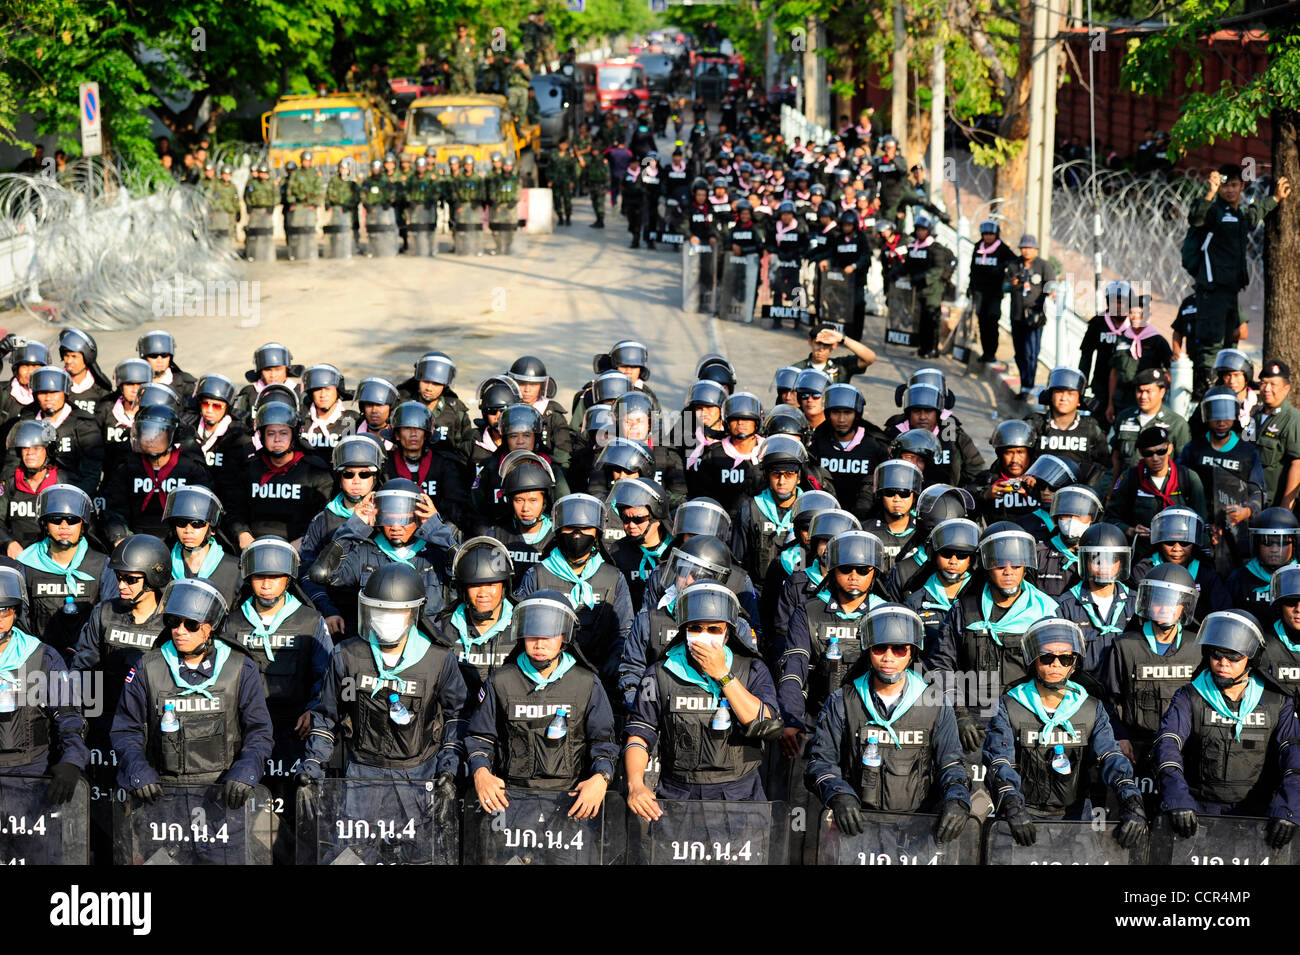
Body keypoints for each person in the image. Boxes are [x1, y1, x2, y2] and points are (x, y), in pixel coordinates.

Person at [806, 603, 971, 841]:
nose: (888, 657)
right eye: (880, 648)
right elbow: (820, 762)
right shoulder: (842, 701)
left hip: (916, 833)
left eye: (899, 649)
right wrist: (838, 795)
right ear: (867, 648)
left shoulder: (936, 704)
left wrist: (957, 798)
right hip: (857, 831)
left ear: (913, 652)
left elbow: (951, 765)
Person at [983, 618, 1147, 845]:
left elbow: (1110, 755)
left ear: (1074, 663)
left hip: (1075, 820)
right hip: (1022, 818)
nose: (1056, 664)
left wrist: (1130, 798)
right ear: (1033, 661)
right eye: (1047, 657)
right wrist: (1011, 803)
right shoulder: (1008, 705)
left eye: (1065, 658)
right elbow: (1000, 760)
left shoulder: (1092, 707)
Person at [624, 582, 781, 818]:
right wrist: (636, 784)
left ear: (728, 632)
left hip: (739, 799)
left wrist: (723, 675)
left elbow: (764, 722)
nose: (704, 636)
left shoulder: (752, 669)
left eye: (714, 629)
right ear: (684, 628)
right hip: (678, 798)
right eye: (696, 628)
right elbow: (640, 732)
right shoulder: (659, 673)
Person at [111, 578, 273, 805]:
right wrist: (138, 771)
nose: (180, 631)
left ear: (210, 627)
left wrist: (247, 770)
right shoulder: (147, 666)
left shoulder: (240, 668)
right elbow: (126, 729)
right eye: (173, 622)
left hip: (222, 793)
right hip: (162, 793)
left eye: (191, 625)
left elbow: (259, 731)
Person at [299, 564, 467, 783]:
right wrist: (313, 763)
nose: (387, 618)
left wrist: (448, 767)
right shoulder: (347, 654)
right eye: (380, 610)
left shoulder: (438, 659)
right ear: (368, 611)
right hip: (361, 775)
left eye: (397, 611)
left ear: (414, 612)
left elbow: (457, 715)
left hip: (419, 775)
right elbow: (326, 715)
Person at [1155, 610, 1300, 847]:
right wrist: (1177, 797)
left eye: (1233, 657)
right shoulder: (1189, 696)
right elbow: (1168, 744)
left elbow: (1294, 757)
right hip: (1198, 816)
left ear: (1252, 659)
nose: (1223, 664)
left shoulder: (1278, 702)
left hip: (1259, 818)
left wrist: (1290, 807)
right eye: (1217, 655)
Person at [466, 590, 617, 816]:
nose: (539, 644)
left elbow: (603, 742)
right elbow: (480, 738)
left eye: (549, 635)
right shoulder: (500, 681)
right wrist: (480, 772)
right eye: (533, 635)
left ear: (565, 637)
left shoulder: (586, 684)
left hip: (570, 804)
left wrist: (601, 778)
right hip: (511, 804)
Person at [927, 522, 1060, 754]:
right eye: (1000, 564)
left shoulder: (1045, 612)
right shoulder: (964, 610)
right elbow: (941, 665)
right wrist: (959, 714)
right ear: (987, 565)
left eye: (1016, 564)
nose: (1008, 571)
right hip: (973, 728)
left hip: (1027, 722)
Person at [227, 538, 330, 801]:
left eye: (275, 576)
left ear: (288, 579)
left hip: (295, 731)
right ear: (249, 577)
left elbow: (327, 674)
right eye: (260, 576)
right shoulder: (232, 621)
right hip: (245, 732)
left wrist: (314, 709)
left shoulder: (310, 620)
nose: (267, 584)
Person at [779, 529, 890, 757]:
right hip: (814, 720)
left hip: (870, 723)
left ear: (874, 572)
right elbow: (794, 667)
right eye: (846, 569)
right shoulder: (807, 612)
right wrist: (791, 717)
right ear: (832, 569)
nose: (854, 576)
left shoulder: (886, 612)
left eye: (862, 570)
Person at [1183, 165, 1290, 396]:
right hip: (1212, 289)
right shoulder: (1214, 212)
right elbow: (1196, 217)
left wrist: (1275, 198)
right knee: (1211, 343)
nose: (1229, 190)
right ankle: (1205, 391)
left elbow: (1252, 216)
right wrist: (1209, 193)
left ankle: (1227, 390)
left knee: (1231, 342)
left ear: (1242, 186)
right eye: (1225, 185)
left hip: (1231, 291)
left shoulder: (1238, 213)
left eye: (1234, 185)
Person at [515, 493, 634, 692]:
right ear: (559, 531)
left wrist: (615, 660)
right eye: (570, 528)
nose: (577, 535)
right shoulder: (537, 574)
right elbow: (521, 629)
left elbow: (624, 629)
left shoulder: (613, 577)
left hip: (602, 678)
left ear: (597, 532)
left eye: (585, 528)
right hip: (546, 677)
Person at [308, 479, 456, 635]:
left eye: (405, 519)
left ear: (420, 518)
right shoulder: (364, 551)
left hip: (427, 645)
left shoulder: (436, 553)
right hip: (375, 642)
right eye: (389, 519)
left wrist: (437, 529)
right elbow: (321, 573)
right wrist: (354, 526)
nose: (396, 527)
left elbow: (464, 574)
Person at [1101, 561, 1200, 769]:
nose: (1165, 609)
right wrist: (1120, 736)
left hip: (1186, 748)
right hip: (1136, 747)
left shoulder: (1197, 647)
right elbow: (1108, 698)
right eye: (1159, 601)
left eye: (1173, 602)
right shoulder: (1124, 645)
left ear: (1185, 607)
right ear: (1147, 603)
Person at [0, 566, 87, 803]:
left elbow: (68, 715)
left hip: (30, 778)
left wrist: (72, 759)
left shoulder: (43, 656)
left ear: (17, 612)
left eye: (4, 611)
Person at [225, 401, 333, 548]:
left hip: (300, 548)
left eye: (283, 433)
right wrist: (242, 533)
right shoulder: (248, 469)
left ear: (294, 435)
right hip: (253, 547)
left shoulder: (315, 471)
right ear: (262, 436)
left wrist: (306, 540)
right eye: (271, 433)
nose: (277, 439)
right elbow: (233, 509)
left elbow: (325, 516)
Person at [15, 483, 104, 658]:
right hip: (40, 662)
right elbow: (20, 622)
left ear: (83, 525)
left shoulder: (102, 566)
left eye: (71, 520)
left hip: (89, 665)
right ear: (45, 524)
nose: (64, 526)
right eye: (56, 519)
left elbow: (108, 621)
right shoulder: (25, 565)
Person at [1105, 425, 1206, 562]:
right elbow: (1110, 518)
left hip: (1179, 556)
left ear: (1169, 448)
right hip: (1142, 557)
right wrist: (1130, 530)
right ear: (1141, 452)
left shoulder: (1187, 478)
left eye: (1161, 451)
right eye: (1149, 453)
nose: (1156, 458)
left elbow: (1201, 522)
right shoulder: (1130, 478)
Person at [434, 537, 516, 703]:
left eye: (491, 584)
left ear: (504, 588)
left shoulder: (523, 626)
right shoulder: (443, 628)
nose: (483, 593)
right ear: (463, 589)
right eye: (475, 585)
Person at [1055, 522, 1134, 676]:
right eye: (1096, 560)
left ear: (1121, 562)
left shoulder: (1135, 602)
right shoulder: (1066, 605)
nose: (1104, 566)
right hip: (1085, 690)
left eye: (1111, 560)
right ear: (1085, 561)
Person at [1026, 367, 1112, 490]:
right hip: (1037, 491)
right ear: (1050, 395)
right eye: (1059, 392)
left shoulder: (1091, 428)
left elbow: (1105, 467)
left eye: (1070, 393)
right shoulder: (1034, 424)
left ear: (1079, 400)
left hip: (1075, 497)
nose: (1064, 398)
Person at [26, 365, 103, 495]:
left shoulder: (84, 424)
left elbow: (91, 474)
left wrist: (74, 499)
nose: (48, 398)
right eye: (43, 392)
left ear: (65, 393)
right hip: (32, 494)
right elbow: (12, 467)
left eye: (54, 392)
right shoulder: (26, 422)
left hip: (72, 494)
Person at [1109, 369, 1191, 482]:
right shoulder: (1124, 417)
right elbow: (1116, 457)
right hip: (1127, 487)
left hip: (1159, 490)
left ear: (1162, 392)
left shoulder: (1176, 423)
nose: (1143, 396)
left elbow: (1184, 464)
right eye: (1139, 391)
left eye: (1148, 391)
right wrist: (1112, 489)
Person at [605, 477, 671, 610]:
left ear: (657, 518)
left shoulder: (676, 550)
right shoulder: (615, 553)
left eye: (638, 519)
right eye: (625, 519)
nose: (631, 525)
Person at [1225, 508, 1300, 621]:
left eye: (1282, 542)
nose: (1274, 549)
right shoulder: (1238, 579)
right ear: (1256, 544)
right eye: (1267, 541)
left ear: (1293, 545)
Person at [0, 420, 62, 555]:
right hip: (15, 556)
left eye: (36, 448)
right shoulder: (10, 481)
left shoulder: (62, 484)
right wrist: (7, 542)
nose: (29, 453)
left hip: (52, 557)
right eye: (25, 448)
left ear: (49, 451)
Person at [1007, 234, 1056, 397]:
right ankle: (1024, 382)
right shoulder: (1014, 265)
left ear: (1035, 249)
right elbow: (1004, 284)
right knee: (1019, 352)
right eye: (1024, 248)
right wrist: (1011, 284)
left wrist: (1052, 293)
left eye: (1030, 248)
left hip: (1035, 316)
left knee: (1031, 352)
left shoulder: (1044, 265)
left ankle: (1028, 385)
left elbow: (1051, 285)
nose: (1027, 251)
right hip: (1017, 315)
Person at [966, 220, 1019, 362]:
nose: (988, 237)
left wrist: (1003, 267)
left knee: (992, 320)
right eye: (986, 234)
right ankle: (985, 352)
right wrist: (970, 287)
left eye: (991, 234)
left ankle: (991, 352)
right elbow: (973, 269)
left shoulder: (1002, 249)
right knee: (982, 321)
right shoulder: (978, 247)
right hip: (980, 292)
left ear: (996, 235)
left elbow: (1015, 261)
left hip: (994, 292)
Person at [1252, 359, 1300, 510]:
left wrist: (1285, 508)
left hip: (1274, 505)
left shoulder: (1292, 419)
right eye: (1263, 383)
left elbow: (1297, 464)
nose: (1266, 389)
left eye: (1273, 385)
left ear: (1286, 389)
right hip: (1251, 502)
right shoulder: (1255, 416)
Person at [299, 364, 359, 463]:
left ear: (337, 391)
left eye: (328, 389)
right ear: (311, 393)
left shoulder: (353, 420)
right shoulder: (300, 419)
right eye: (318, 389)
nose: (322, 395)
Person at [56, 329, 111, 416]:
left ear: (87, 358)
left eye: (74, 356)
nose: (69, 361)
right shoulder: (56, 384)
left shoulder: (101, 389)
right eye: (66, 355)